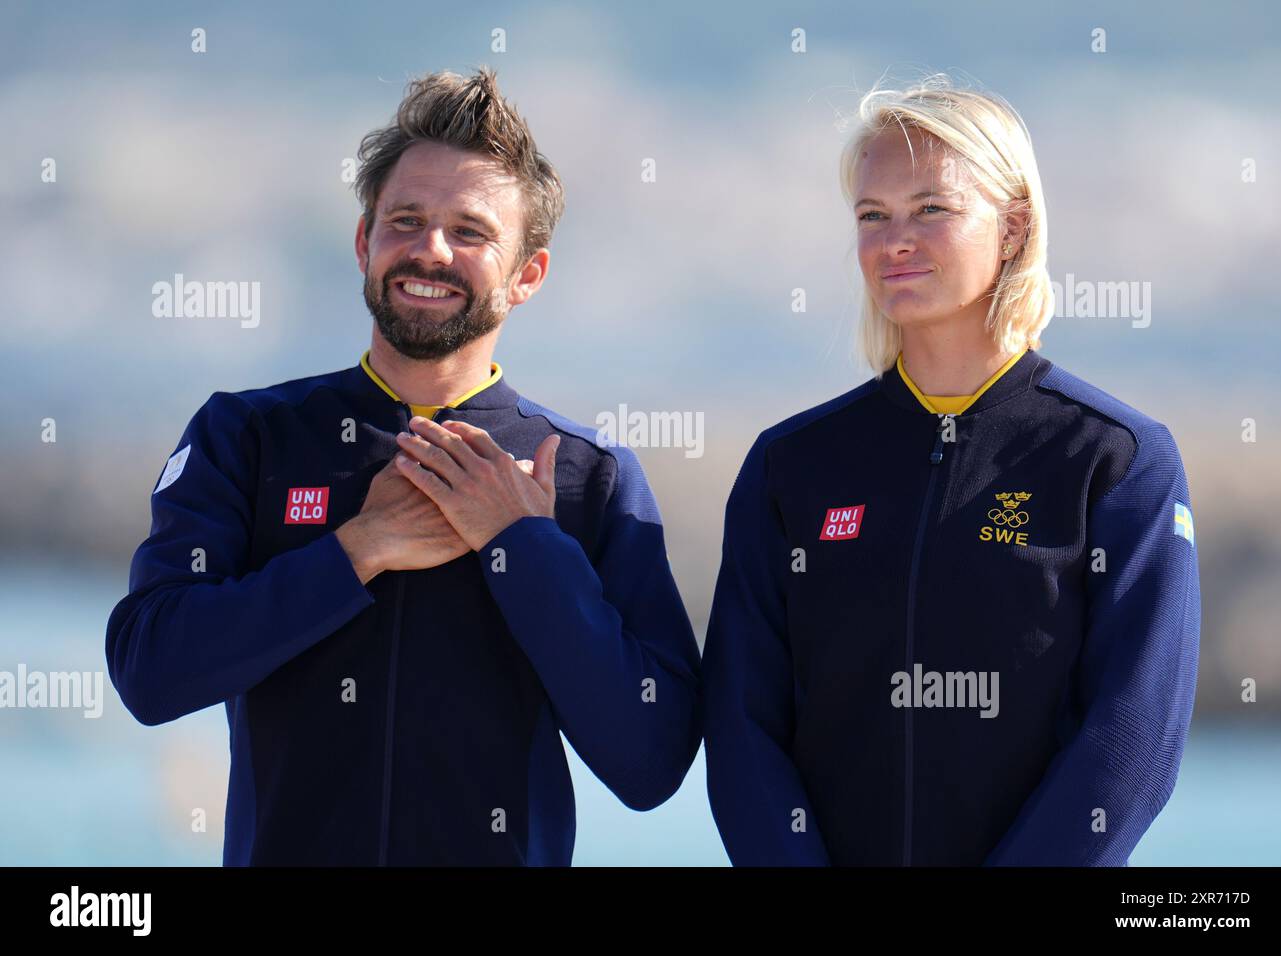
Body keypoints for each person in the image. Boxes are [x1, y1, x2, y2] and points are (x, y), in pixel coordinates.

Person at [106, 67, 701, 866]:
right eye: (407, 220)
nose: (431, 249)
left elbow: (652, 759)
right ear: (364, 241)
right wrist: (359, 550)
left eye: (472, 231)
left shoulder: (588, 477)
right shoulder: (248, 436)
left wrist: (524, 546)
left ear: (528, 274)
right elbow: (150, 671)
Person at [701, 75, 1200, 866]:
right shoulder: (789, 466)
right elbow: (739, 726)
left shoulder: (1116, 459)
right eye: (873, 215)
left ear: (1013, 226)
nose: (895, 239)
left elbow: (1132, 736)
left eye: (931, 208)